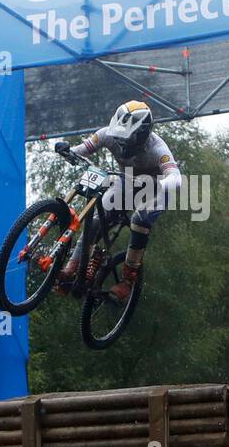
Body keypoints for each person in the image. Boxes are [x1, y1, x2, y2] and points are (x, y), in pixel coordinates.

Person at [54, 100, 182, 303]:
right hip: (127, 182)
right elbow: (82, 149)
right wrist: (67, 151)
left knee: (140, 221)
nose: (120, 145)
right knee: (96, 222)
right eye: (118, 137)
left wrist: (163, 184)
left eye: (126, 140)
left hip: (156, 189)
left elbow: (175, 176)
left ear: (141, 137)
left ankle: (127, 281)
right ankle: (72, 267)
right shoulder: (108, 133)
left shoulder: (158, 149)